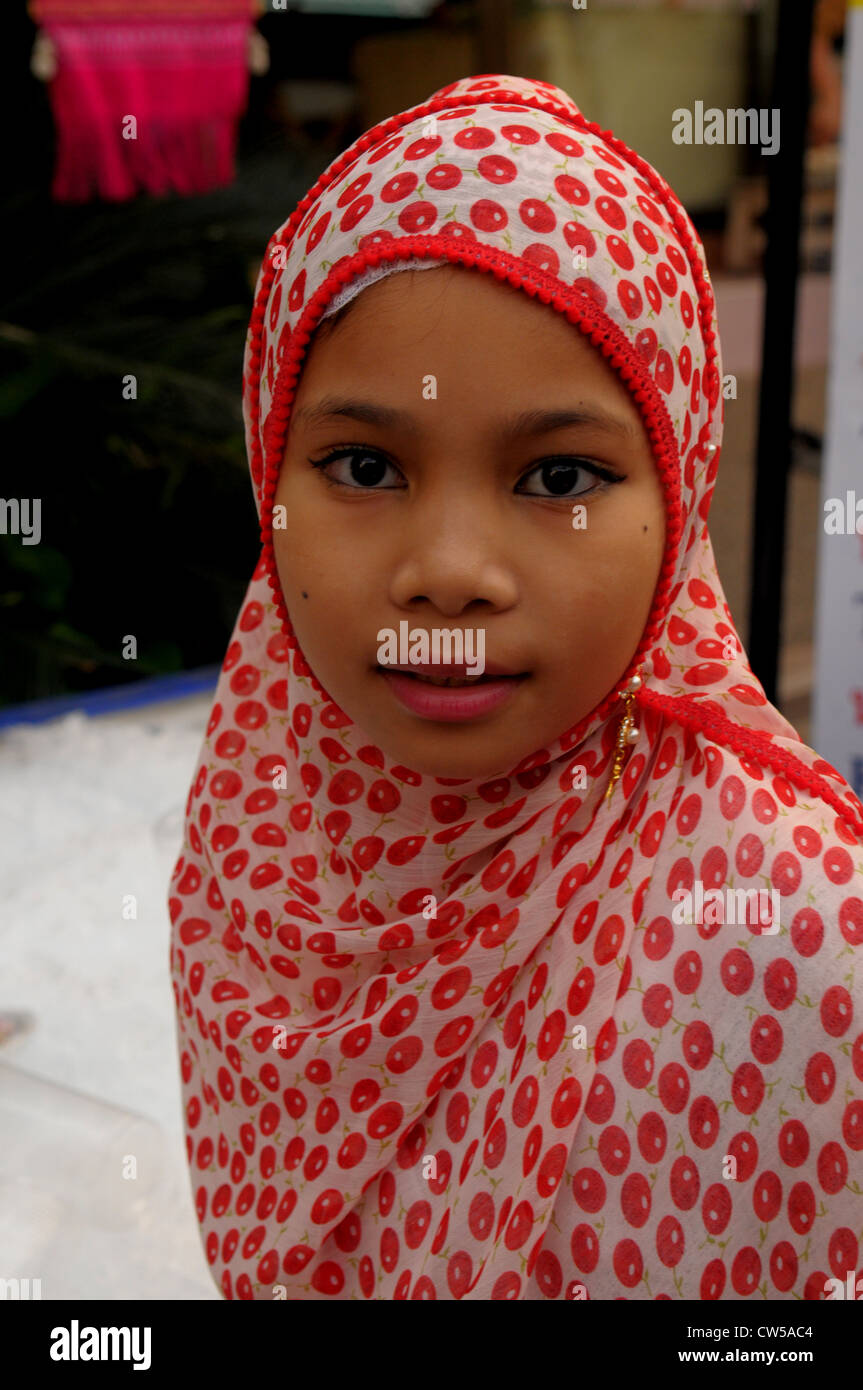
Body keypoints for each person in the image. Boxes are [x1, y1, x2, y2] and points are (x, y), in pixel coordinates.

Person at [168, 73, 863, 1301]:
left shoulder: (791, 933)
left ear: (681, 493)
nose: (446, 574)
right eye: (364, 463)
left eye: (557, 479)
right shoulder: (257, 840)